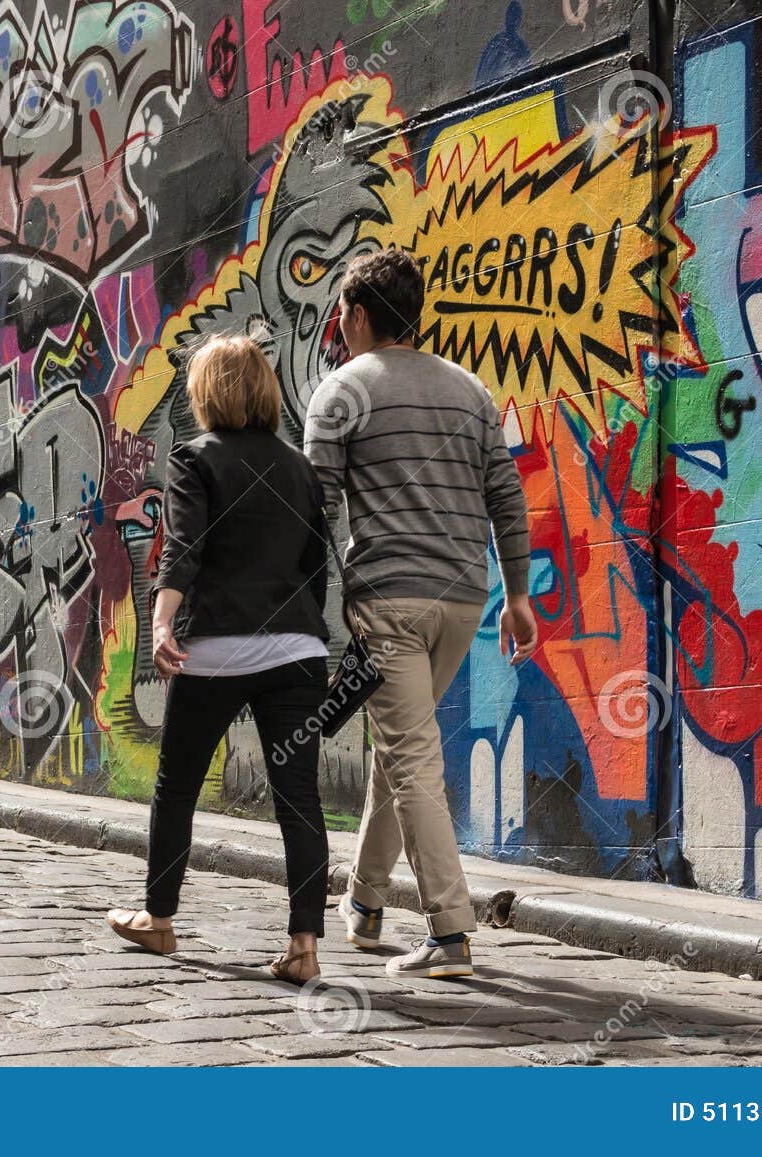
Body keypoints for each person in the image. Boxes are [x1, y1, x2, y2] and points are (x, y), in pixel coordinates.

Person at [304, 247, 537, 979]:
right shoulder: (471, 391)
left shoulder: (339, 391)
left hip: (388, 605)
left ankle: (449, 930)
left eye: (342, 315)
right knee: (397, 751)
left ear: (362, 315)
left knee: (410, 760)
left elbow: (317, 512)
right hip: (464, 603)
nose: (338, 328)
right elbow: (507, 495)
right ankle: (365, 903)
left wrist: (307, 613)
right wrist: (520, 594)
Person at [106, 335, 333, 984]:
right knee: (299, 799)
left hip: (215, 650)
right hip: (298, 648)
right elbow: (316, 566)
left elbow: (184, 545)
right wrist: (308, 635)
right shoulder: (300, 466)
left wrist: (161, 617)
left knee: (177, 786)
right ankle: (304, 946)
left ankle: (159, 918)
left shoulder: (194, 458)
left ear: (204, 394)